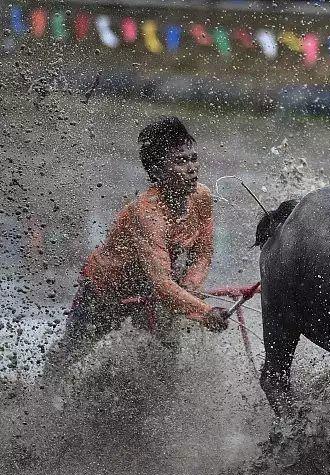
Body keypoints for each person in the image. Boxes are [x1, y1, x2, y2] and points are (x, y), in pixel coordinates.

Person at [41, 117, 228, 386]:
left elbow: (203, 254)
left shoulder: (202, 197)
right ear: (157, 171)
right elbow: (163, 282)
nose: (191, 169)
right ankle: (44, 395)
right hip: (106, 290)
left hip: (150, 289)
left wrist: (191, 287)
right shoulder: (147, 213)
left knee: (165, 355)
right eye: (180, 161)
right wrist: (204, 312)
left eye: (193, 158)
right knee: (74, 349)